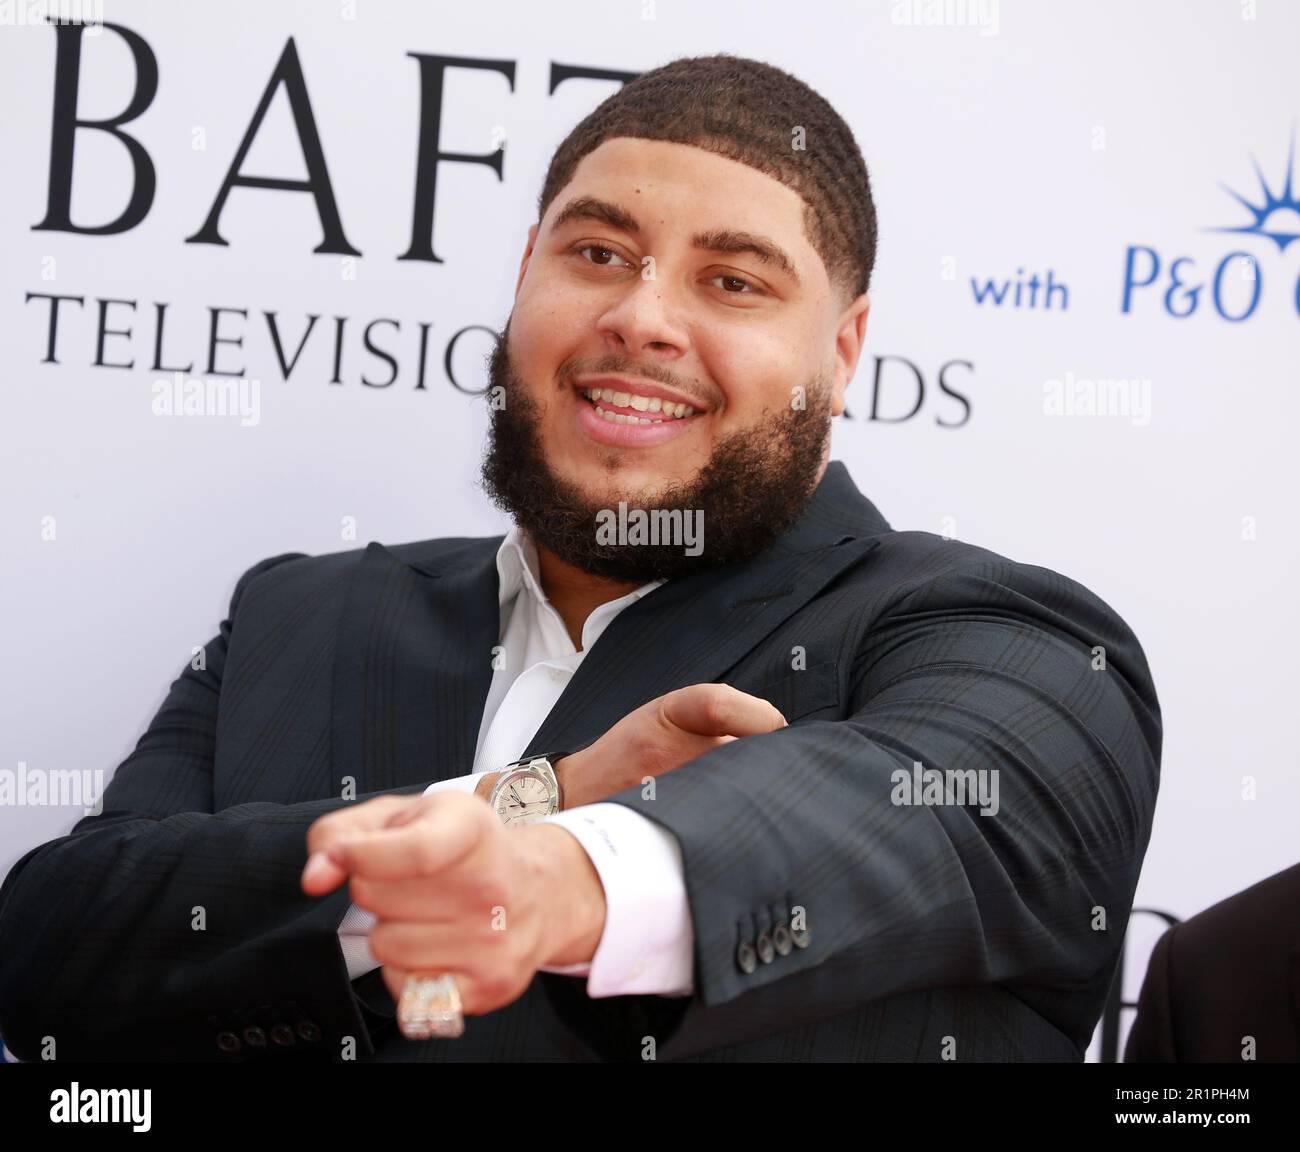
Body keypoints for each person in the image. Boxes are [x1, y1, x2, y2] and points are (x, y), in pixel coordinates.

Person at [0, 53, 1161, 1062]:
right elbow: (50, 955)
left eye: (733, 281)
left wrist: (562, 881)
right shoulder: (298, 612)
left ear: (843, 353)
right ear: (523, 279)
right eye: (600, 252)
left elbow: (936, 813)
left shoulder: (994, 633)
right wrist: (528, 801)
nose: (643, 318)